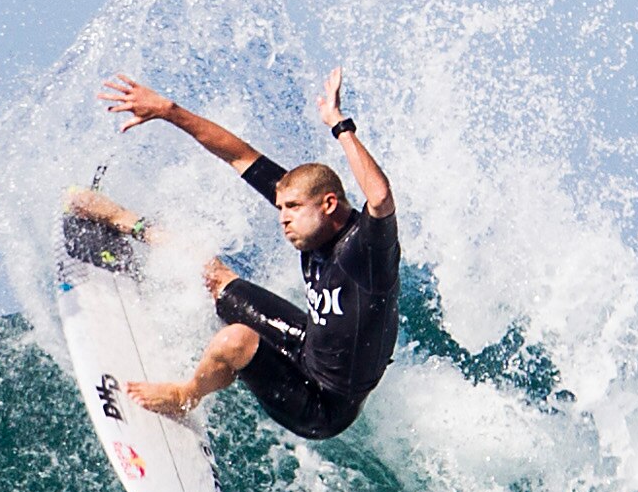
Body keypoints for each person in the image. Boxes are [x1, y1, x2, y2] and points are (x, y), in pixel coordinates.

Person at [65, 67, 400, 439]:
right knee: (215, 274)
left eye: (291, 208)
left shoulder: (366, 253)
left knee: (234, 341)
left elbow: (381, 197)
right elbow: (239, 155)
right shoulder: (308, 212)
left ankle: (186, 395)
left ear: (329, 204)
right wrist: (168, 111)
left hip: (324, 405)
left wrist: (338, 124)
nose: (283, 219)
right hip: (309, 345)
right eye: (280, 208)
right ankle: (121, 219)